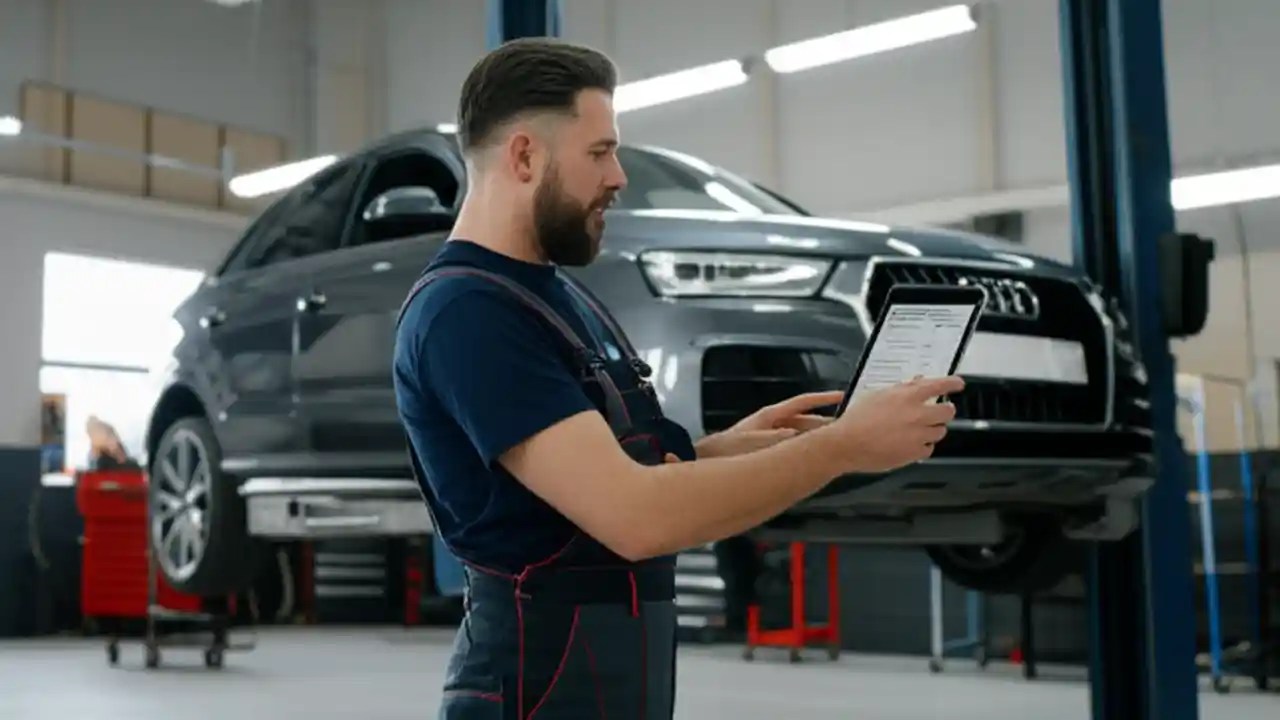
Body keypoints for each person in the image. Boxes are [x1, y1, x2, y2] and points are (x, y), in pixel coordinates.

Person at [392, 37, 964, 720]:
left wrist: (730, 449)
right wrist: (839, 449)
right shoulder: (468, 313)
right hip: (533, 689)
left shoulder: (559, 298)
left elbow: (619, 471)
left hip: (610, 681)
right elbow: (635, 516)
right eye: (600, 152)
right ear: (524, 156)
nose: (618, 177)